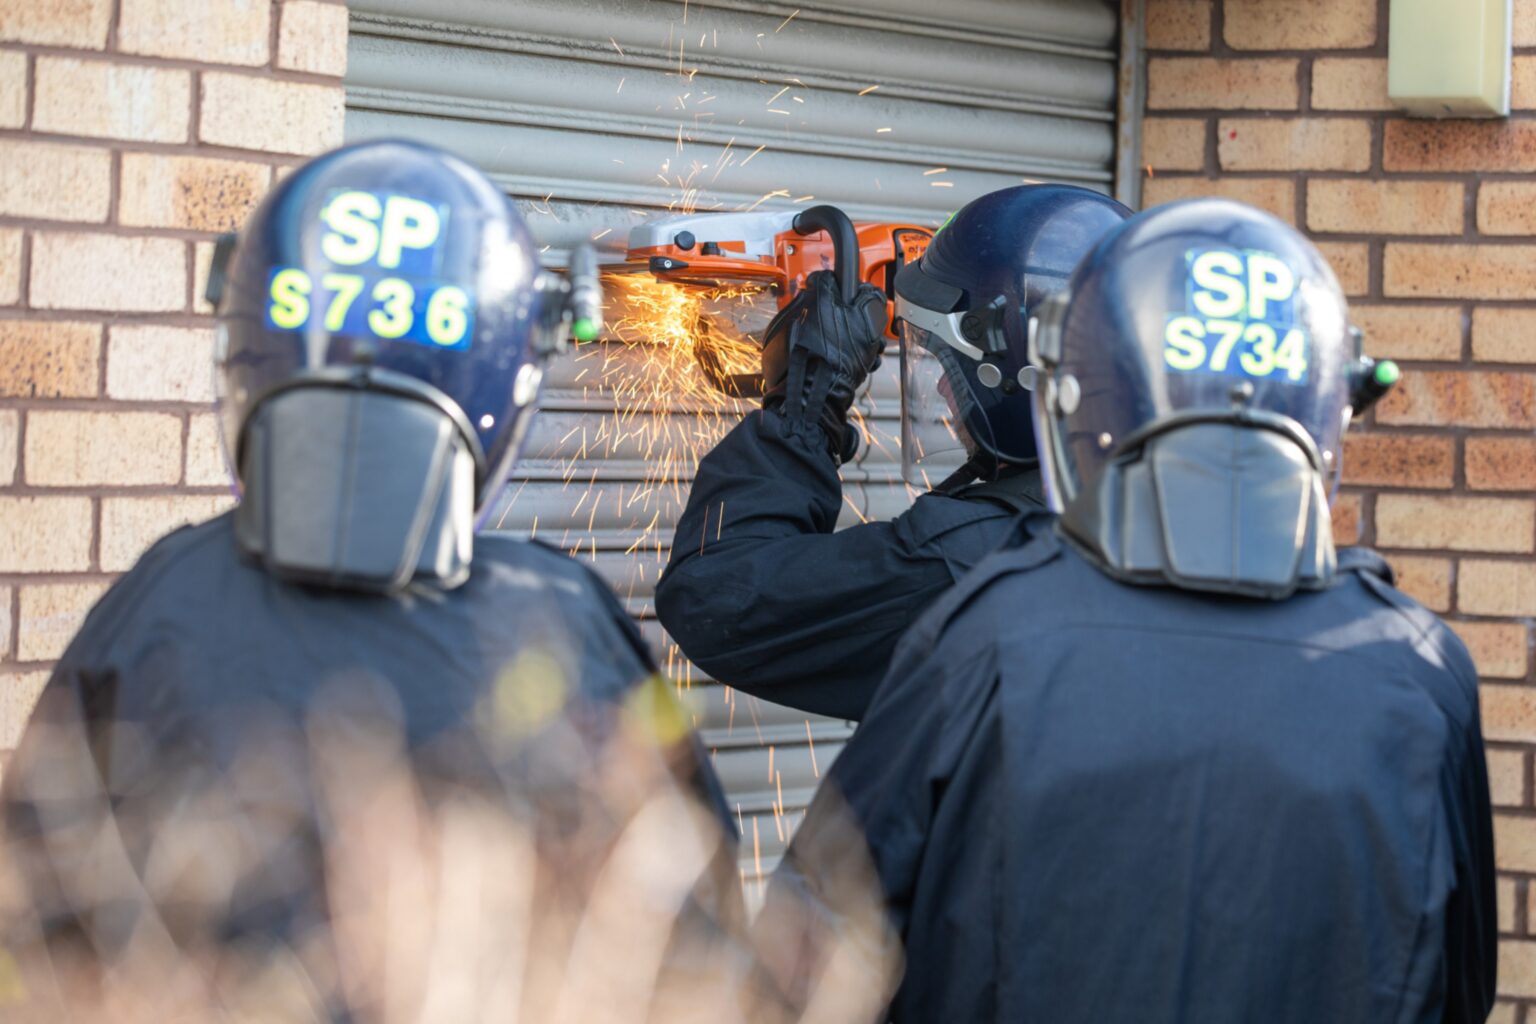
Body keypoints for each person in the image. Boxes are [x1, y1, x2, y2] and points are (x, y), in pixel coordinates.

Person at [0, 140, 743, 1021]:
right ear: (512, 360)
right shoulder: (563, 617)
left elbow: (35, 935)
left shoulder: (154, 597)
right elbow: (700, 937)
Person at [759, 198, 1496, 1022]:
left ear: (1081, 403)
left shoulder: (989, 644)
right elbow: (1457, 992)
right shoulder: (1422, 677)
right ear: (1327, 407)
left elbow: (798, 969)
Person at [656, 185, 1132, 720]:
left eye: (950, 366)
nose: (946, 395)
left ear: (1023, 373)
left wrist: (805, 410)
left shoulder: (980, 564)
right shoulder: (1192, 521)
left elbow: (716, 598)